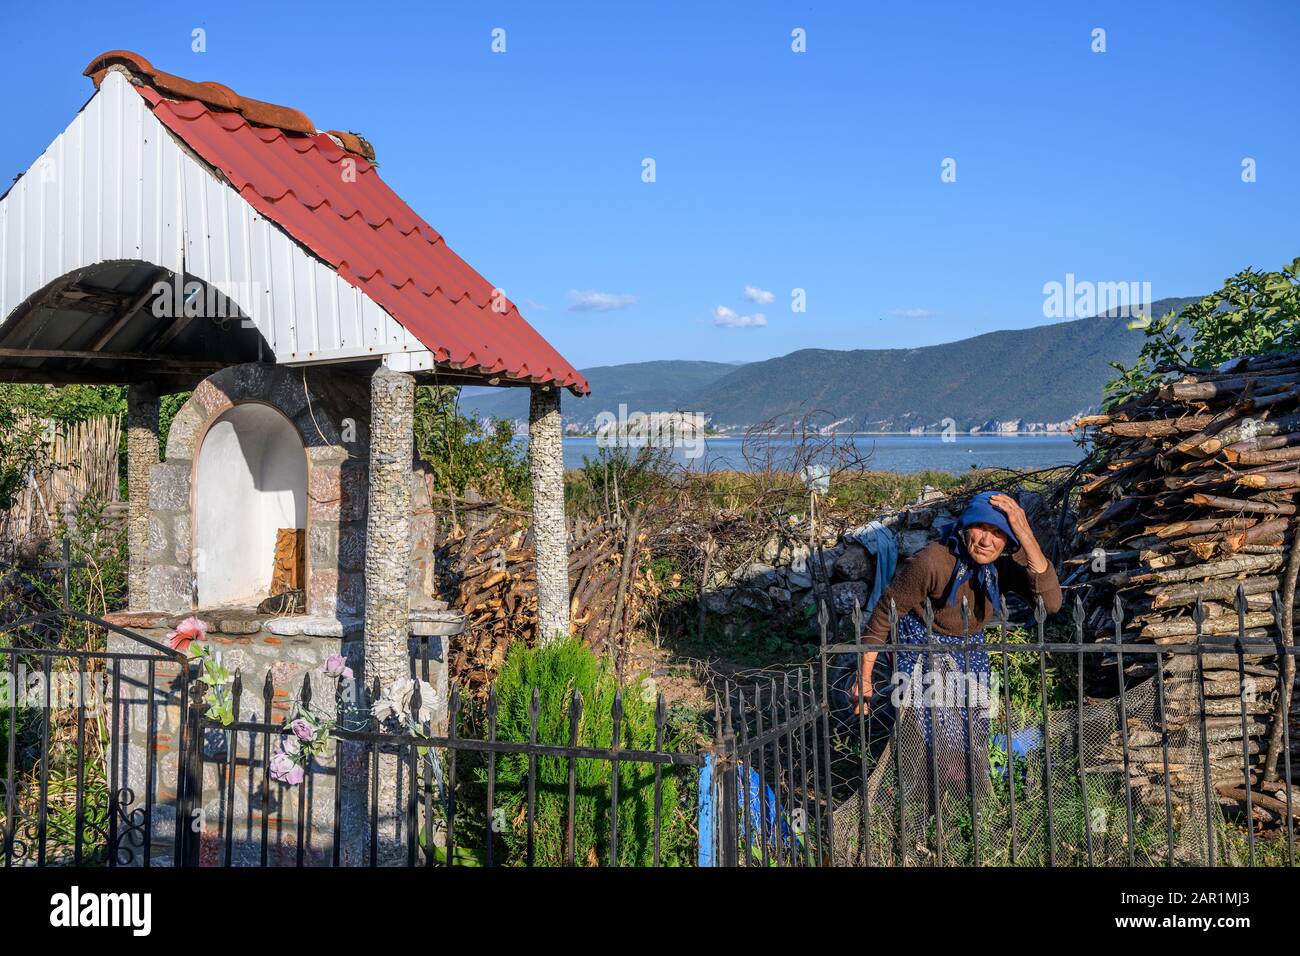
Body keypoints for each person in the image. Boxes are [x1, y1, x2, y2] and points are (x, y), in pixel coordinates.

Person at [843, 490, 1062, 796]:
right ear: (965, 527)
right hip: (921, 644)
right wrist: (863, 678)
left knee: (971, 729)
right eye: (981, 528)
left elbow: (1051, 603)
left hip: (969, 648)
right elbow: (884, 614)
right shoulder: (932, 561)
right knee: (926, 729)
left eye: (999, 533)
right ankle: (916, 800)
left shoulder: (1002, 566)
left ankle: (963, 803)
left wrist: (1025, 534)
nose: (987, 541)